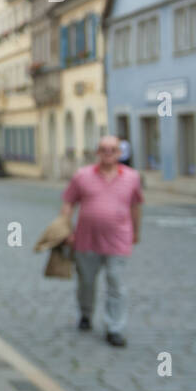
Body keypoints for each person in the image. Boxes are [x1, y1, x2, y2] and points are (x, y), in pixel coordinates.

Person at [59, 135, 142, 348]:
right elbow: (68, 203)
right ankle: (85, 314)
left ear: (119, 153)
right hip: (86, 239)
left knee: (116, 282)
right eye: (103, 149)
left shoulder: (132, 177)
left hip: (119, 239)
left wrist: (136, 232)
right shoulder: (82, 176)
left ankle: (114, 328)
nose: (108, 153)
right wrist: (65, 229)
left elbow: (135, 206)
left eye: (112, 149)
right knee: (86, 282)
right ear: (97, 152)